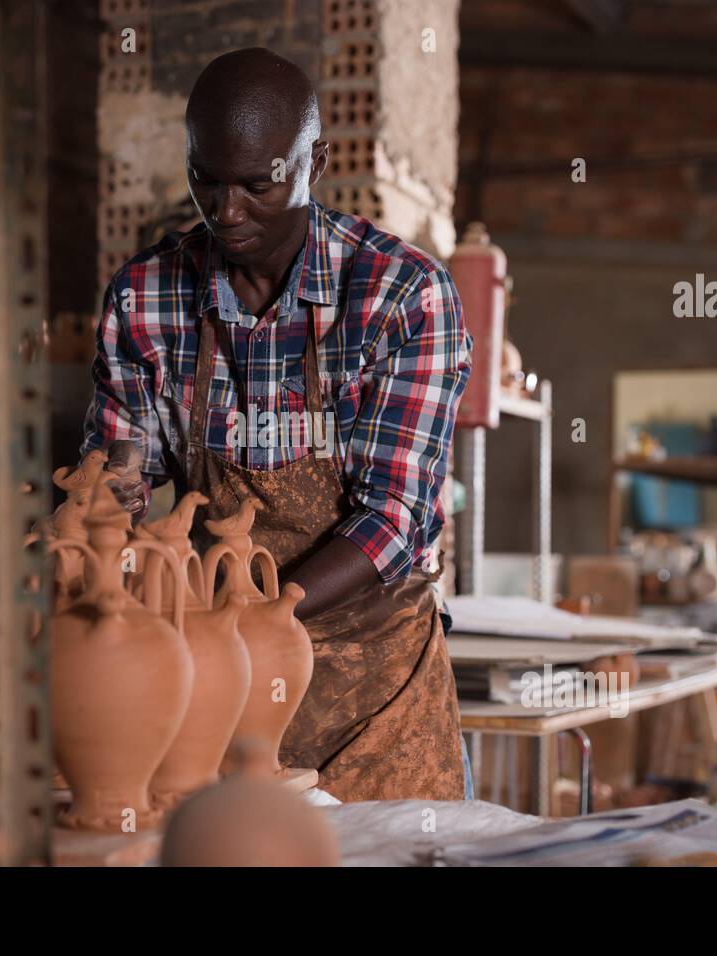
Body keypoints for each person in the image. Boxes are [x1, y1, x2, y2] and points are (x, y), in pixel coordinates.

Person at [81, 47, 472, 802]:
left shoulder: (403, 296)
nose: (226, 213)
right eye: (206, 180)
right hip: (213, 696)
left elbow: (396, 516)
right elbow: (117, 464)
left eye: (259, 184)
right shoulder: (144, 297)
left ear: (314, 161)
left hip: (376, 699)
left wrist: (259, 615)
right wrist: (113, 494)